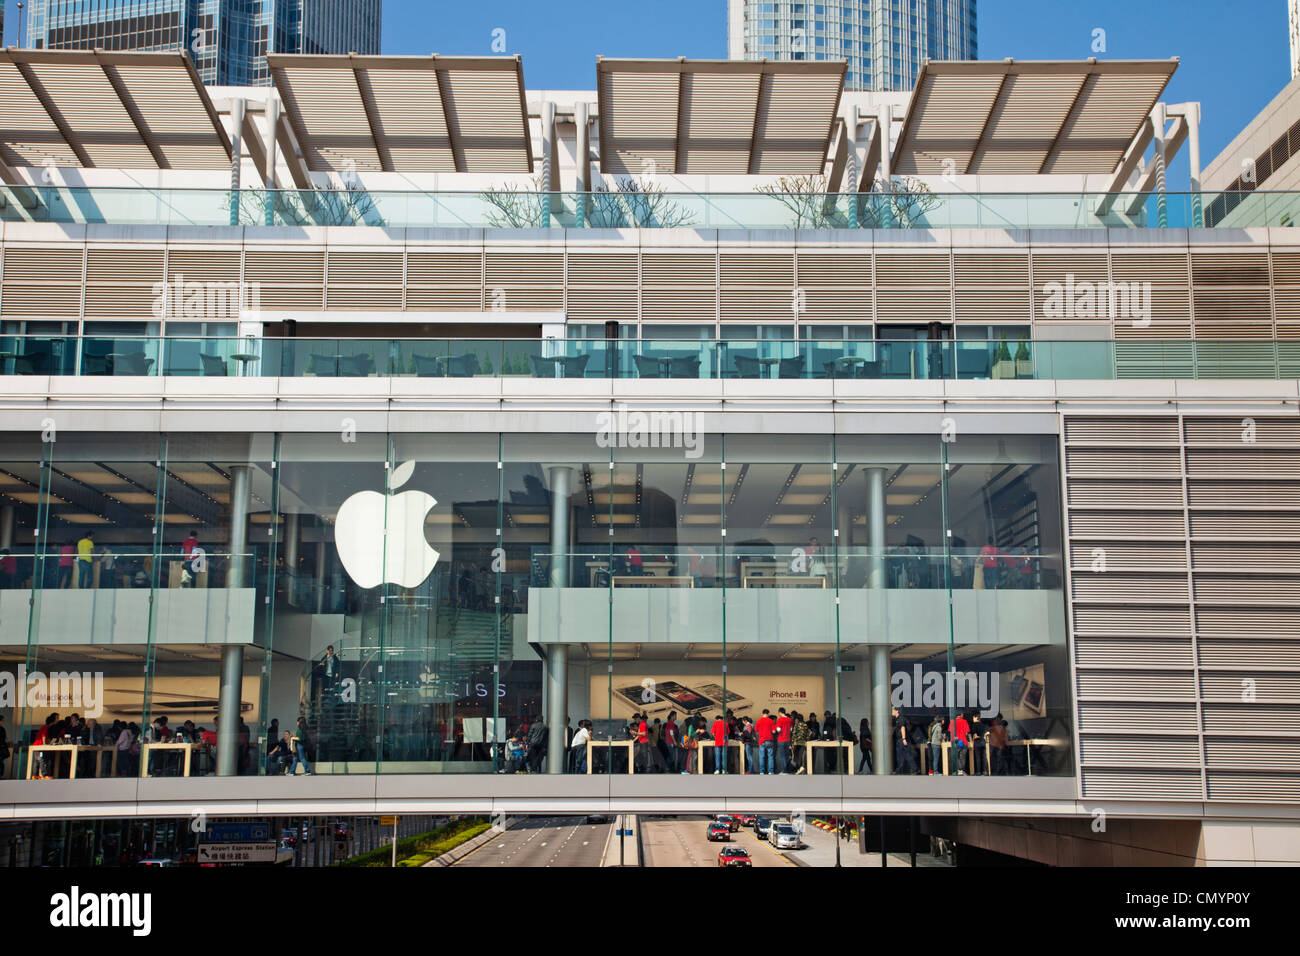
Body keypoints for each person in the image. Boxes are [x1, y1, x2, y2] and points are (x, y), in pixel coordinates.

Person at [892, 708, 918, 774]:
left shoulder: (901, 718)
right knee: (900, 756)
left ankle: (915, 770)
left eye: (893, 710)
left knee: (907, 755)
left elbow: (902, 728)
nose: (892, 712)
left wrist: (904, 739)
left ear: (897, 711)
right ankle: (899, 770)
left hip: (902, 739)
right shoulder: (896, 719)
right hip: (899, 740)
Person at [755, 708, 776, 775]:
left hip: (761, 741)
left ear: (762, 713)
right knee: (770, 756)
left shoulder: (759, 721)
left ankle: (762, 771)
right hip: (769, 740)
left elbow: (756, 730)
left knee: (761, 756)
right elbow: (774, 731)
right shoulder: (771, 721)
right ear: (768, 714)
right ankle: (771, 771)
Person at [775, 707, 793, 774]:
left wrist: (776, 728)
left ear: (779, 712)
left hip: (781, 739)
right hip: (787, 740)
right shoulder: (789, 719)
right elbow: (791, 729)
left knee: (782, 756)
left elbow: (778, 730)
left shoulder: (780, 719)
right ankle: (788, 770)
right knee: (787, 756)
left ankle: (784, 770)